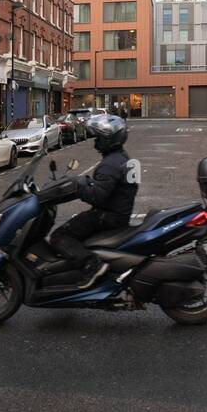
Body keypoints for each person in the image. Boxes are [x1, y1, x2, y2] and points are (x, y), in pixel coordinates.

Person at [49, 113, 137, 285]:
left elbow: (98, 196)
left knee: (60, 236)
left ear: (108, 138)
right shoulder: (123, 158)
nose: (95, 142)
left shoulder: (110, 164)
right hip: (119, 212)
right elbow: (111, 187)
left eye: (98, 138)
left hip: (108, 216)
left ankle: (92, 265)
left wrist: (78, 187)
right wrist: (88, 181)